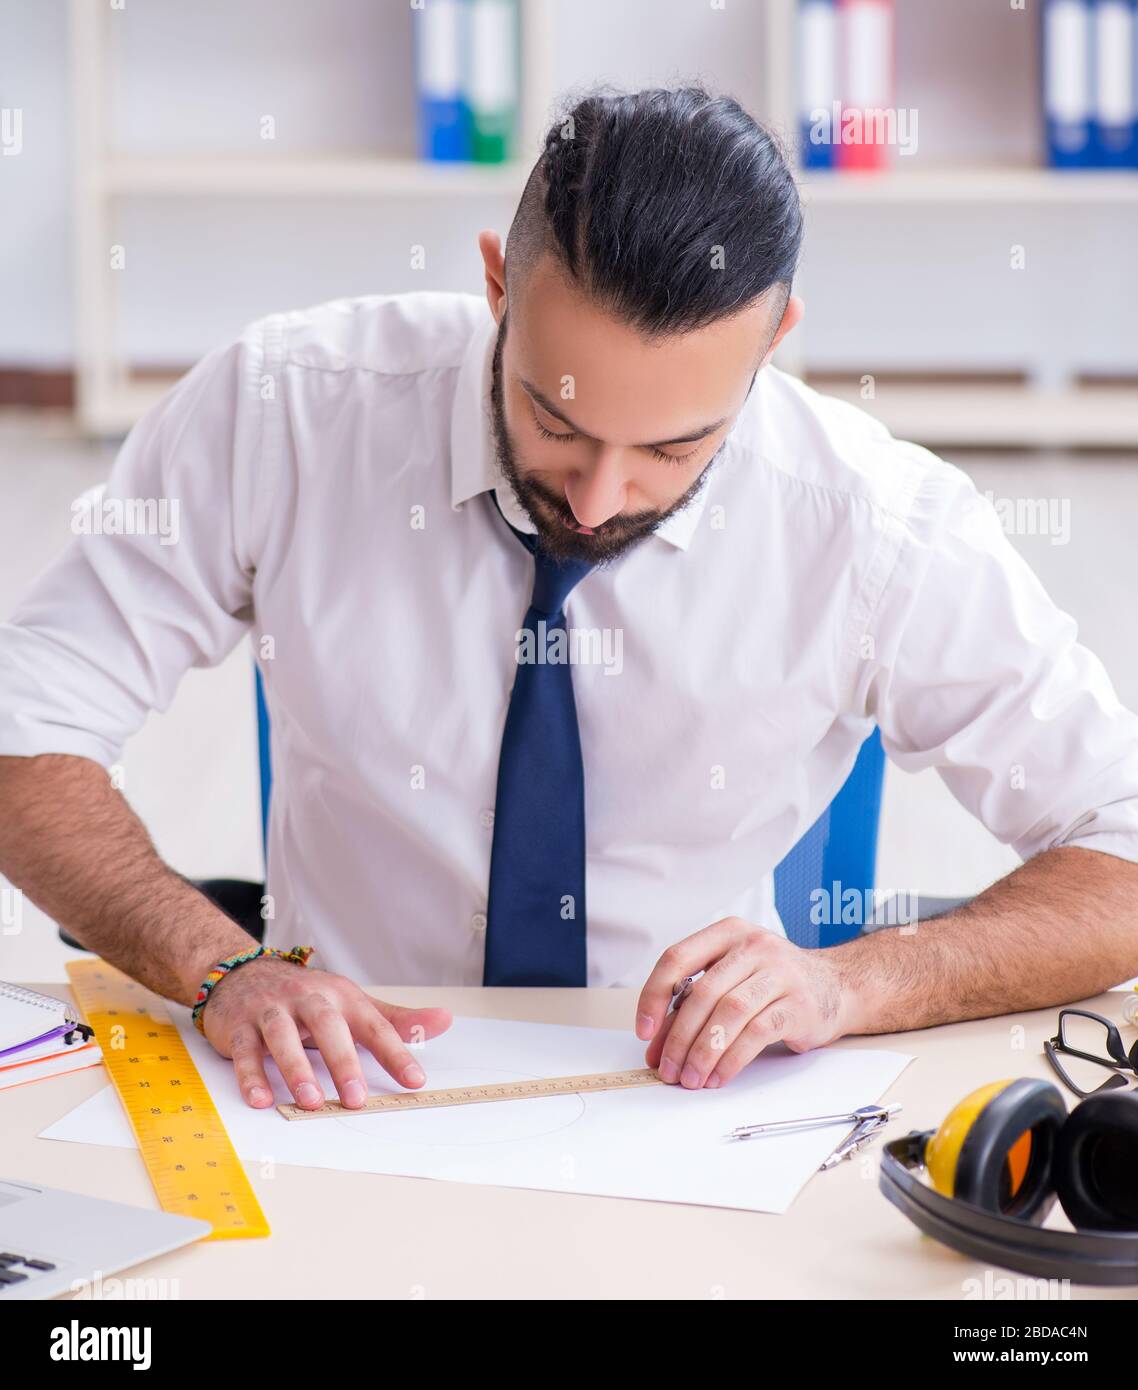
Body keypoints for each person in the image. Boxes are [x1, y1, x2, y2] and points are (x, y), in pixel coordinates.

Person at [1, 86, 1136, 1114]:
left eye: (675, 446)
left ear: (772, 345)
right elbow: (22, 727)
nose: (598, 499)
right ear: (496, 284)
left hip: (690, 1106)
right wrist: (220, 969)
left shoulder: (876, 521)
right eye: (555, 418)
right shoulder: (285, 412)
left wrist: (852, 981)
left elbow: (1121, 846)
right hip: (333, 1088)